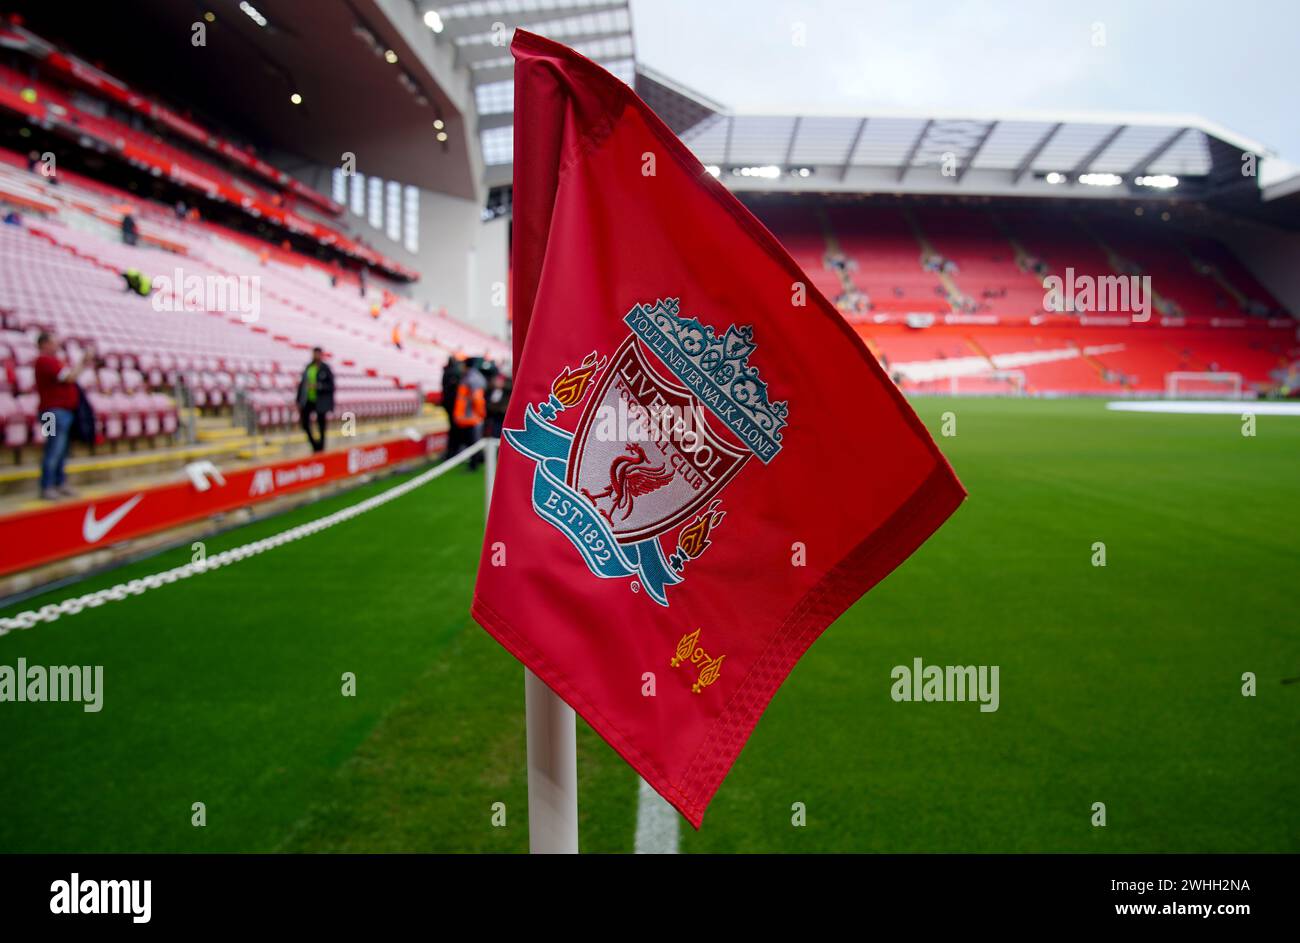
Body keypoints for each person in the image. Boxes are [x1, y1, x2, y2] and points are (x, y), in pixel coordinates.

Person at [35, 333, 94, 500]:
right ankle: (47, 485)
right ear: (44, 344)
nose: (57, 345)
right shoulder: (45, 361)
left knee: (61, 450)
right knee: (53, 449)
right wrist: (82, 362)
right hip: (51, 413)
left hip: (61, 413)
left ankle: (59, 482)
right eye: (54, 342)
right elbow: (69, 377)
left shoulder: (56, 361)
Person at [295, 347, 334, 453]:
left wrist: (318, 386)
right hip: (308, 400)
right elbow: (302, 385)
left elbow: (331, 386)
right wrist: (298, 400)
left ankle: (321, 447)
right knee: (305, 423)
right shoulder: (308, 367)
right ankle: (315, 445)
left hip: (321, 402)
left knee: (321, 425)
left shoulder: (326, 368)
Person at [451, 358, 487, 469]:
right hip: (468, 417)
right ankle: (476, 460)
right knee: (471, 441)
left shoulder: (472, 378)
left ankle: (474, 464)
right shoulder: (472, 377)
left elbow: (478, 399)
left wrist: (480, 414)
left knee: (473, 442)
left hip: (472, 417)